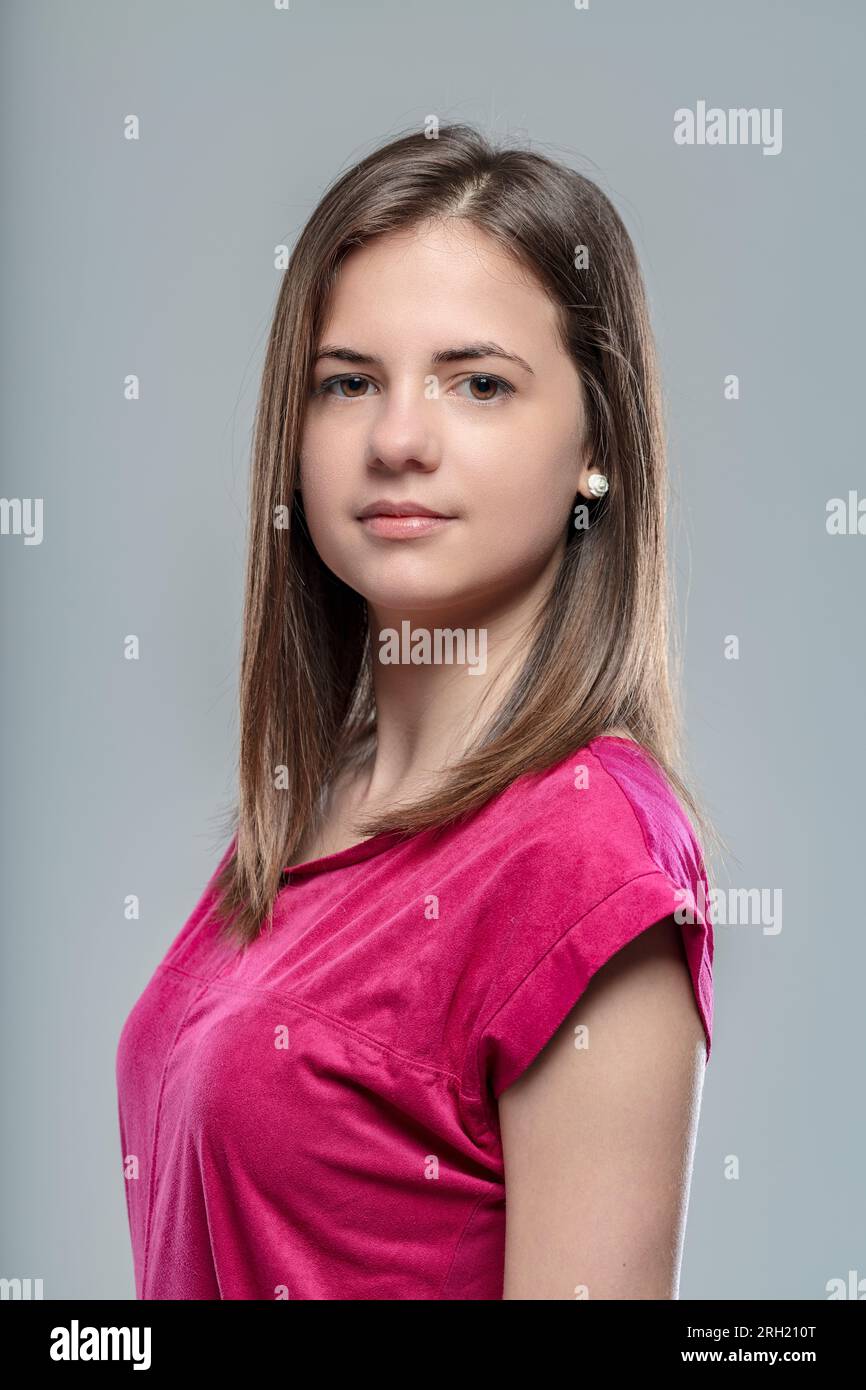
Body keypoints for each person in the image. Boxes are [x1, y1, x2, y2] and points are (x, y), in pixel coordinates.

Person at [116, 123, 718, 1301]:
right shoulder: (302, 816)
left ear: (594, 444)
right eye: (348, 382)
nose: (397, 440)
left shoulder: (583, 855)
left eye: (476, 382)